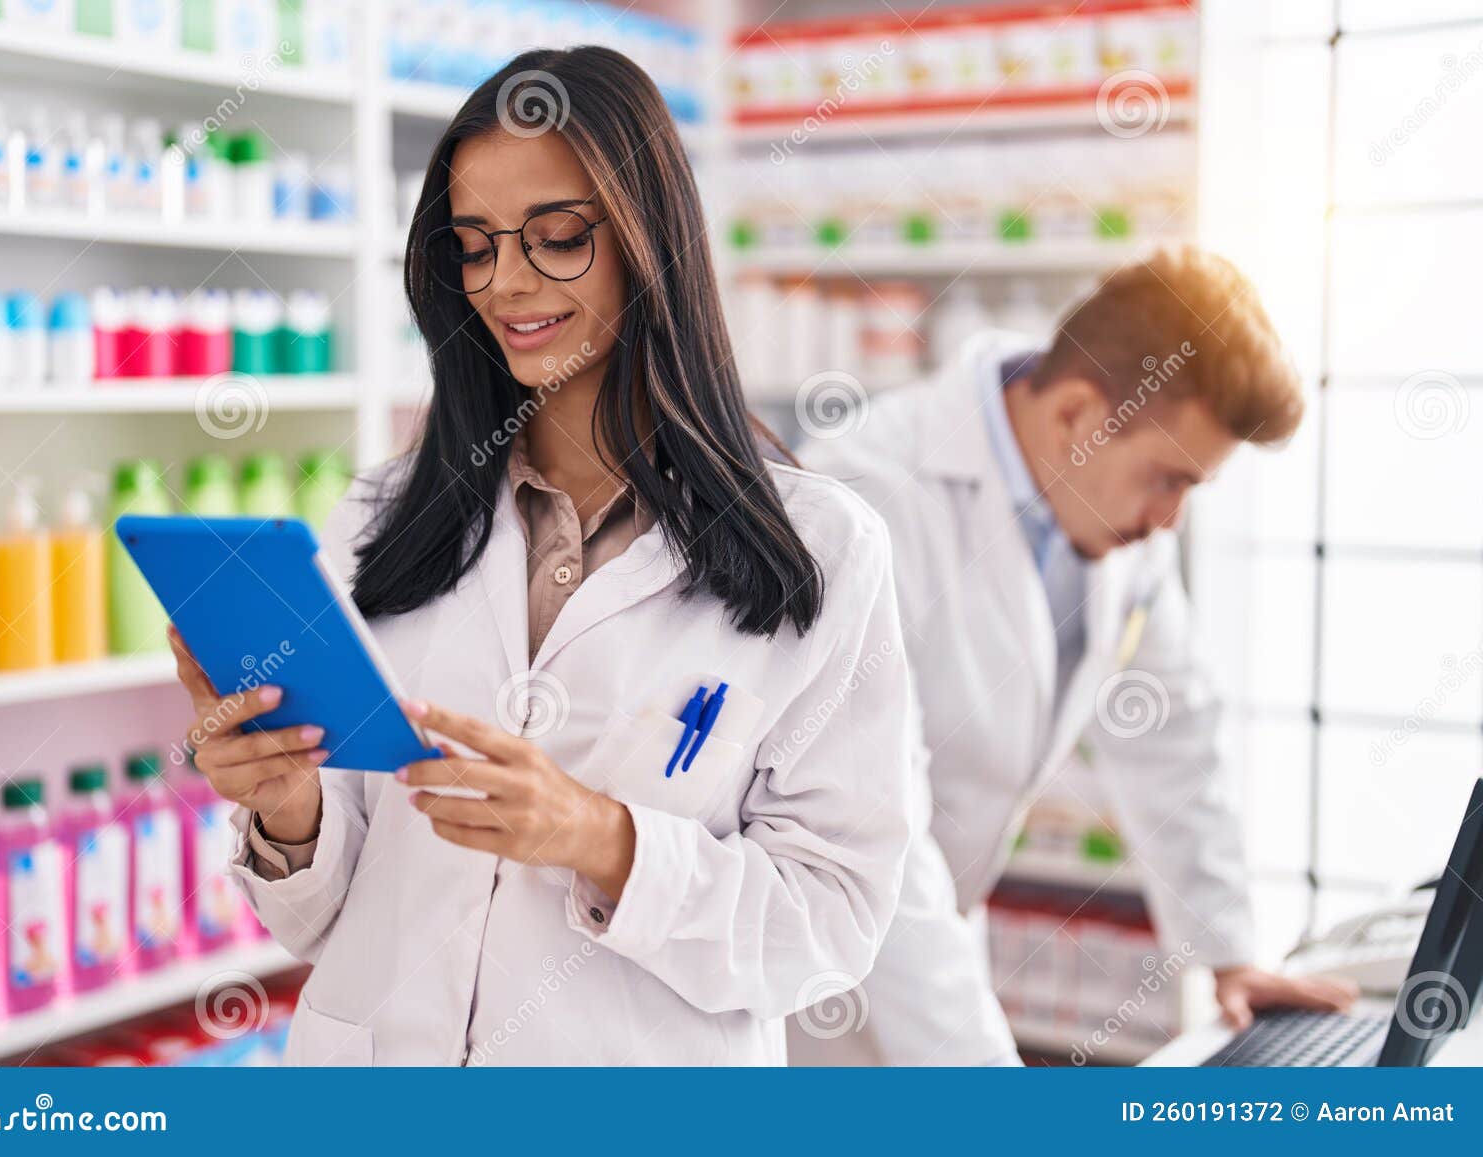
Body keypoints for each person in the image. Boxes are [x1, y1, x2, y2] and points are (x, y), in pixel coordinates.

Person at [171, 46, 915, 1066]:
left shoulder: (822, 549)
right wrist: (286, 805)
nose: (506, 282)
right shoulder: (384, 519)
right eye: (474, 247)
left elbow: (831, 922)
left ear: (651, 238)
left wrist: (599, 837)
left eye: (557, 238)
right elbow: (321, 918)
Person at [793, 248, 1358, 1065]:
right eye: (1167, 479)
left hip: (933, 950)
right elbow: (876, 833)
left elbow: (1172, 734)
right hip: (817, 986)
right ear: (1074, 415)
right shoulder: (865, 498)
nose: (1170, 520)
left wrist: (1230, 952)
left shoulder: (1112, 511)